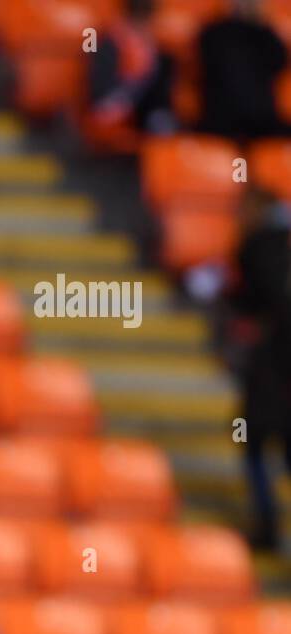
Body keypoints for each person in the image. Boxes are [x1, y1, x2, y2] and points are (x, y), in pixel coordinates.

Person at [224, 187, 291, 550]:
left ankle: (266, 524)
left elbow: (247, 300)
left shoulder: (259, 249)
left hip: (269, 384)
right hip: (276, 385)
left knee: (254, 449)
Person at [197, 0, 290, 142]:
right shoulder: (214, 32)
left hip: (262, 120)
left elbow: (279, 61)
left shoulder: (265, 35)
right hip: (221, 120)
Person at [85, 0, 176, 140]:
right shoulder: (109, 41)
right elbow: (99, 90)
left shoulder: (151, 45)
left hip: (140, 107)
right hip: (113, 104)